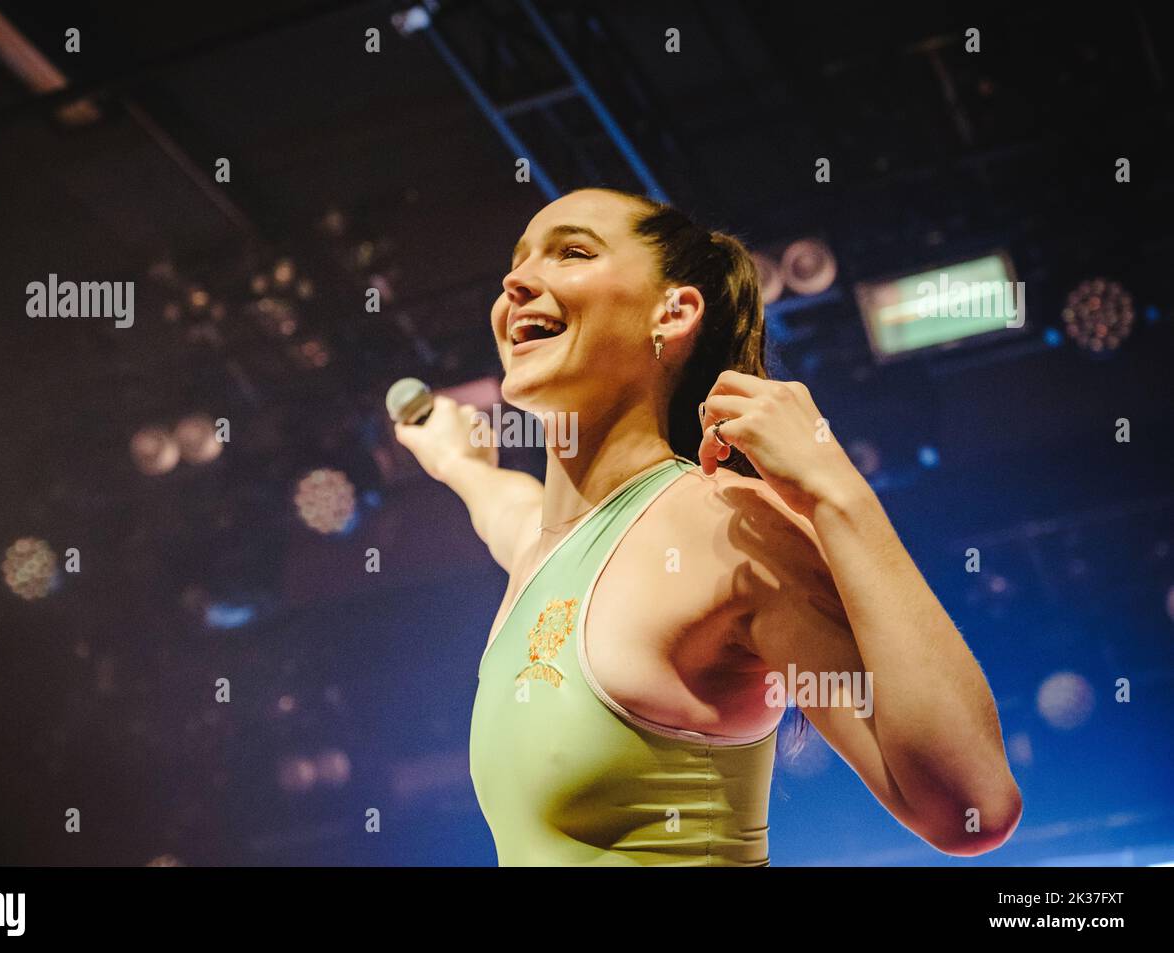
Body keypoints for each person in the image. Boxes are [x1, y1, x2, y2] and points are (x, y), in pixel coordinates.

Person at [395, 187, 1022, 866]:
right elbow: (500, 500)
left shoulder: (726, 527)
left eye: (571, 252)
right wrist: (455, 460)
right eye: (514, 265)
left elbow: (971, 809)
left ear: (674, 312)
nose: (515, 281)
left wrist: (840, 495)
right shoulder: (536, 549)